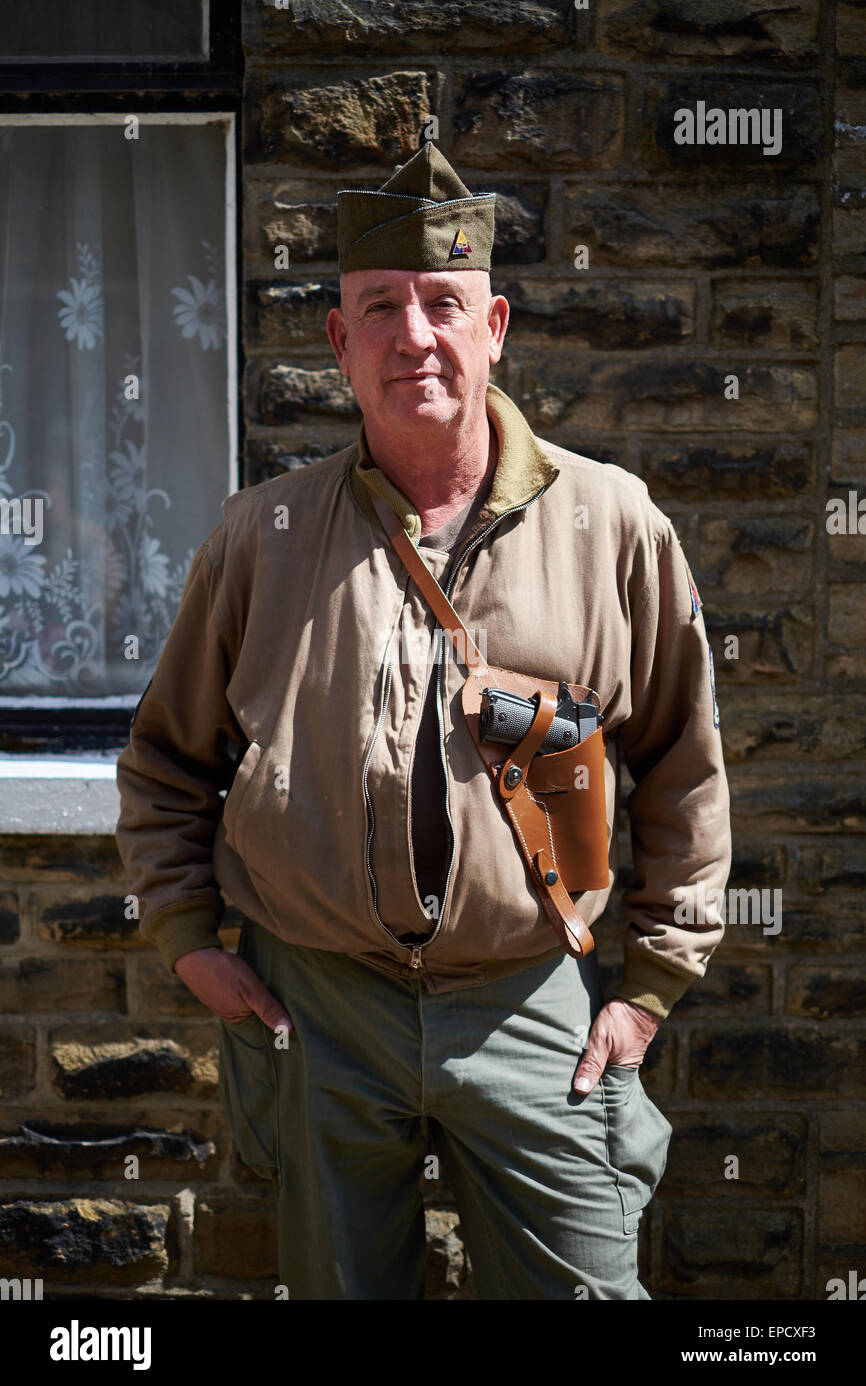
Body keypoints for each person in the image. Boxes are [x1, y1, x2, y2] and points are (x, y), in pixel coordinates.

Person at [115, 143, 731, 1300]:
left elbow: (683, 772)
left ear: (492, 324)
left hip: (528, 995)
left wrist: (646, 994)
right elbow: (164, 761)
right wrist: (186, 936)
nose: (414, 336)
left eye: (442, 304)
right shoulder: (260, 537)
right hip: (317, 1002)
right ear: (339, 344)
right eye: (379, 308)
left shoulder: (614, 524)